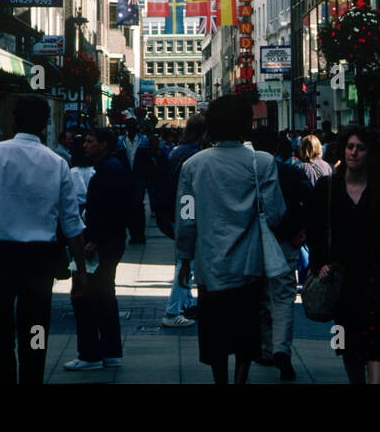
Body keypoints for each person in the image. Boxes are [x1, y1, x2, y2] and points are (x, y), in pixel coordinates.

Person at [0, 95, 88, 385]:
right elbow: (71, 222)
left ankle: (3, 380)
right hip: (40, 259)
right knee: (35, 327)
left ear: (14, 119)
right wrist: (81, 270)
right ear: (46, 123)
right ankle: (32, 377)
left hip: (0, 256)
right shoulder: (58, 163)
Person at [175, 96, 285, 385]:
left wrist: (185, 258)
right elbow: (275, 213)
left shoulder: (192, 166)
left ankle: (220, 381)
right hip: (250, 265)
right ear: (245, 124)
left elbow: (186, 219)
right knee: (247, 331)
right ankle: (241, 380)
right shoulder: (262, 162)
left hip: (210, 265)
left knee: (215, 334)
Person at [307, 126, 380, 384]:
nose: (354, 153)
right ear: (343, 150)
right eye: (350, 147)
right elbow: (315, 229)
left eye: (360, 148)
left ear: (370, 153)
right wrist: (319, 263)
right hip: (344, 280)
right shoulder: (328, 187)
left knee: (377, 343)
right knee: (347, 345)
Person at [64, 128, 132, 371]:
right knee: (104, 297)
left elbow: (110, 210)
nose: (85, 145)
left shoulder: (109, 170)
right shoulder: (110, 167)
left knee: (84, 296)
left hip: (101, 244)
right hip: (109, 242)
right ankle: (110, 352)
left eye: (91, 142)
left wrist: (94, 241)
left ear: (103, 144)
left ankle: (90, 354)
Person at [251, 127, 312, 381]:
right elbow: (313, 202)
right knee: (284, 299)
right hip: (287, 243)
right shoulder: (290, 172)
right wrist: (305, 231)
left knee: (261, 297)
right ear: (277, 148)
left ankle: (266, 347)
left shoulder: (246, 173)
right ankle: (281, 350)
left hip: (254, 246)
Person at [160, 114, 207, 328]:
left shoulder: (177, 151)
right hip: (186, 211)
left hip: (173, 211)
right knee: (184, 262)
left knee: (183, 260)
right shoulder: (194, 154)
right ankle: (173, 310)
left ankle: (186, 304)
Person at [120, 121, 151, 244]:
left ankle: (140, 234)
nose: (131, 130)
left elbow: (147, 160)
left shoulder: (143, 141)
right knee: (129, 207)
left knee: (138, 205)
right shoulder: (121, 143)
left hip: (139, 177)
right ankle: (133, 235)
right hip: (126, 177)